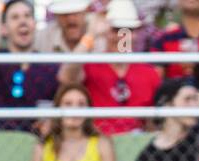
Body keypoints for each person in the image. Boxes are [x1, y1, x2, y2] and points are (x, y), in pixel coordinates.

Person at [58, 1, 162, 135]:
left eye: (127, 30)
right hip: (97, 142)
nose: (121, 37)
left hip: (136, 144)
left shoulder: (149, 73)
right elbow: (65, 76)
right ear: (106, 31)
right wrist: (91, 35)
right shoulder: (91, 65)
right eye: (116, 30)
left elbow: (153, 124)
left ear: (135, 34)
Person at [0, 0, 62, 132]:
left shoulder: (49, 65)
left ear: (35, 24)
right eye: (15, 17)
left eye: (27, 16)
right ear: (3, 28)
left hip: (37, 143)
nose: (22, 21)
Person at [31, 82, 116, 161]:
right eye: (68, 104)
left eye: (81, 104)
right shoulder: (42, 147)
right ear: (57, 109)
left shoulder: (102, 144)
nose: (75, 110)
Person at [132, 77, 199, 161]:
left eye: (195, 99)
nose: (194, 105)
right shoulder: (149, 154)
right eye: (187, 99)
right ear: (166, 105)